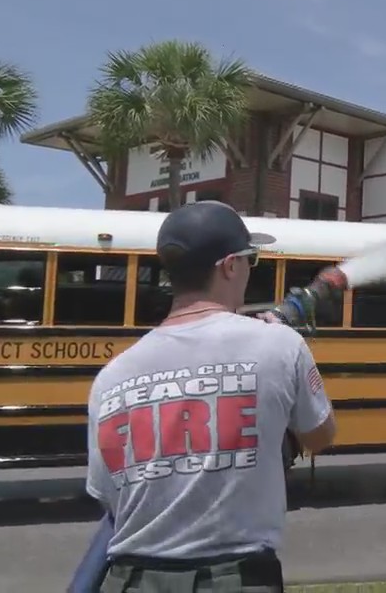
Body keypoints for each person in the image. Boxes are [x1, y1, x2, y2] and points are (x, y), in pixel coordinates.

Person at [85, 201, 337, 593]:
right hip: (232, 578)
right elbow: (320, 436)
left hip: (131, 579)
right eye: (251, 260)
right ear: (230, 266)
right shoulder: (279, 345)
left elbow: (108, 497)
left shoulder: (110, 377)